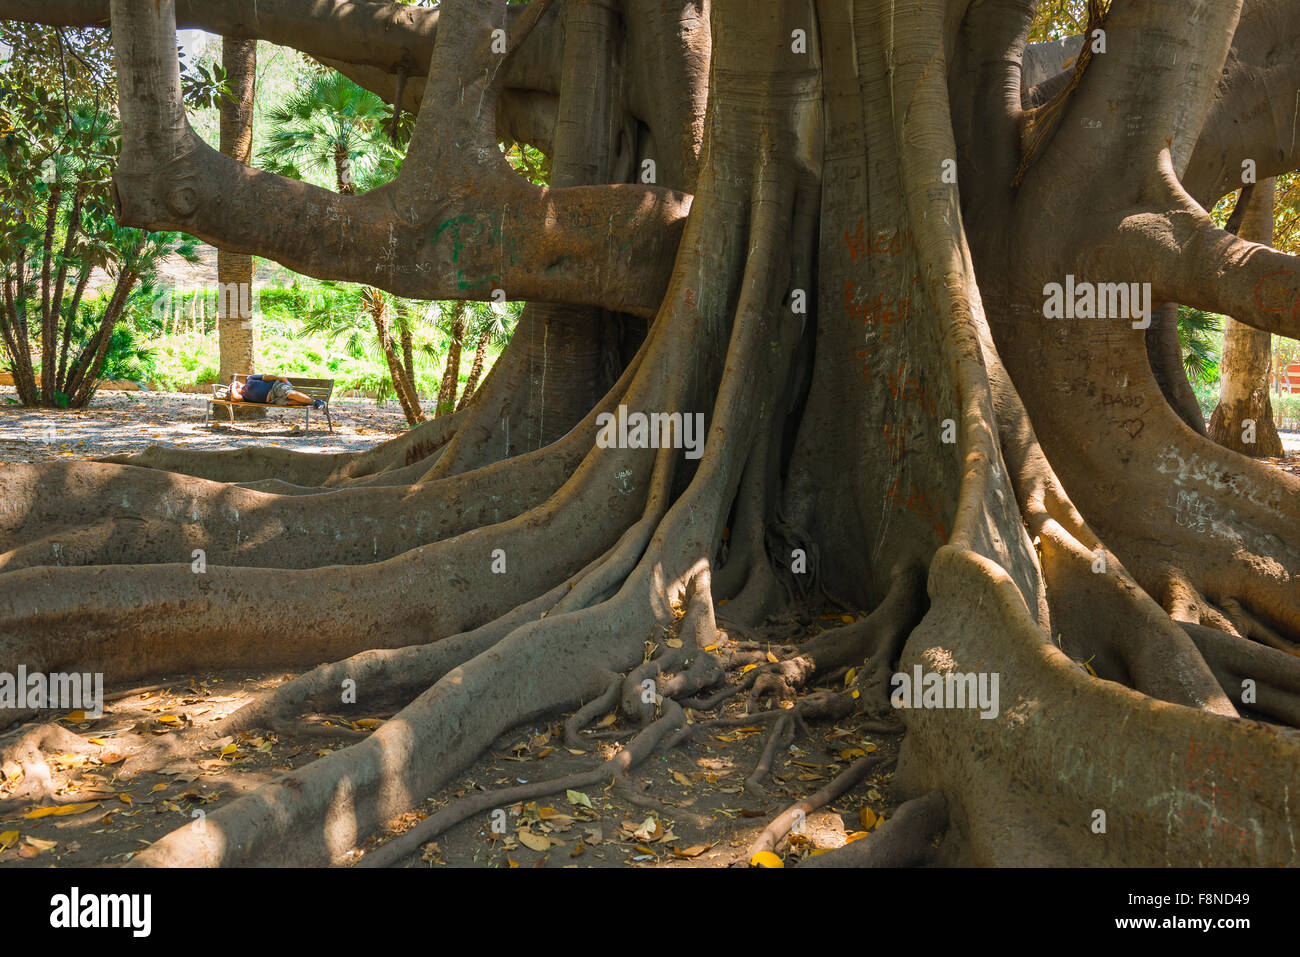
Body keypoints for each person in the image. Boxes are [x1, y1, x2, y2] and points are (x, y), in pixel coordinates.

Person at [230, 373, 325, 409]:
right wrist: (232, 386)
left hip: (275, 387)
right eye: (234, 389)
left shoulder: (249, 379)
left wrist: (279, 378)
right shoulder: (244, 397)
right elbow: (234, 399)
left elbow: (266, 376)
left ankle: (316, 402)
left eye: (236, 385)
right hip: (273, 400)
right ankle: (313, 404)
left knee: (290, 394)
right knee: (292, 403)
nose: (236, 388)